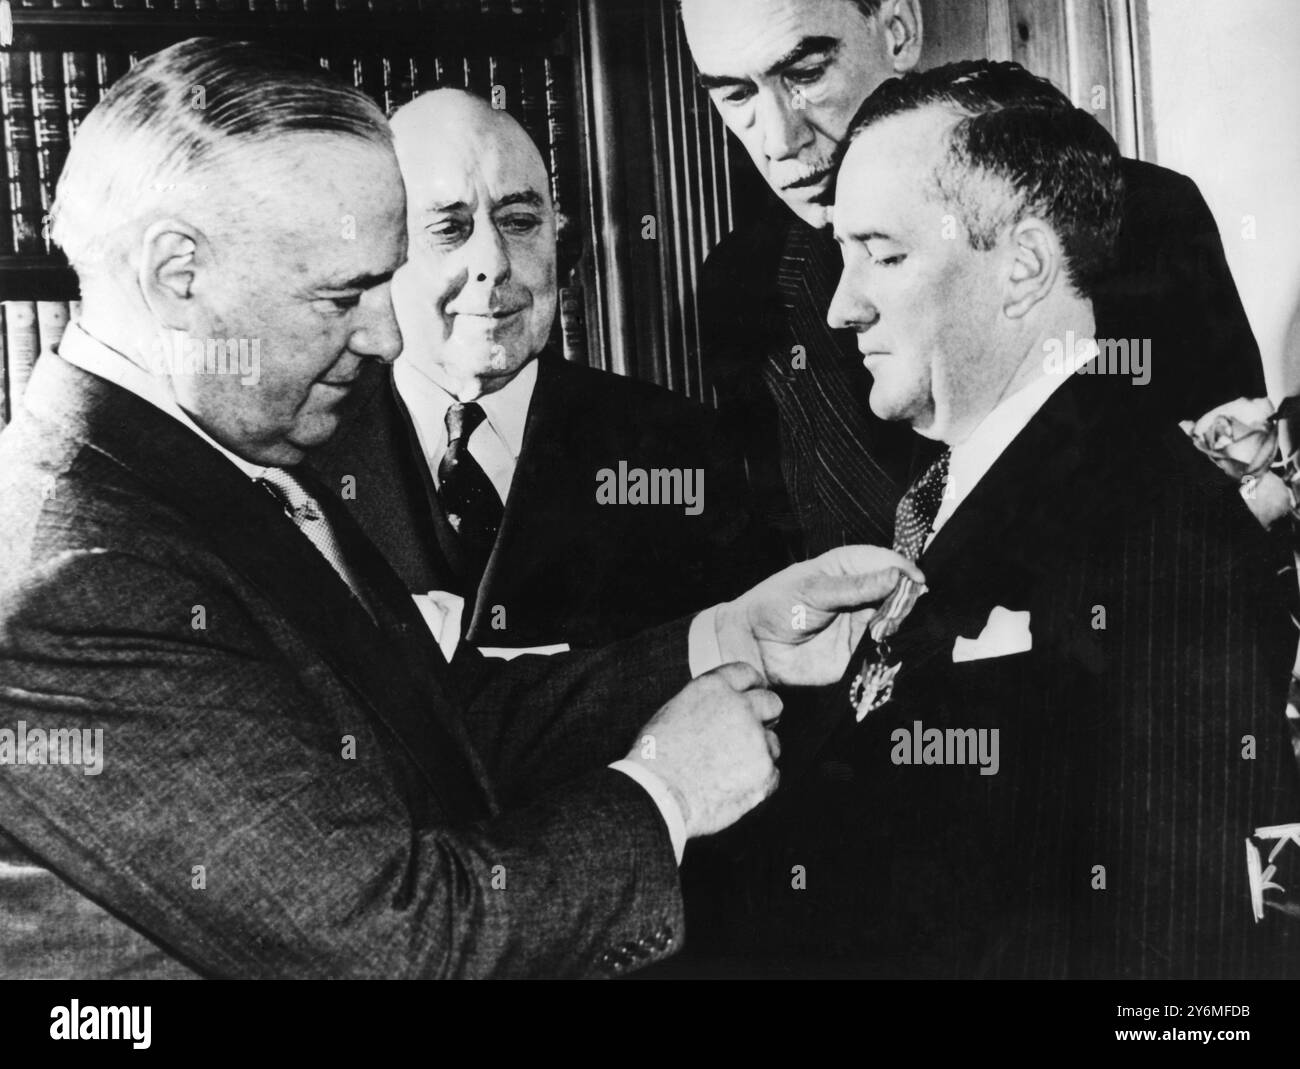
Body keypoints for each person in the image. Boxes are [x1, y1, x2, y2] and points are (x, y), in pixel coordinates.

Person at [0, 37, 918, 980]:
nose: (388, 331)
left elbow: (430, 727)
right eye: (343, 294)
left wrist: (731, 637)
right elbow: (392, 943)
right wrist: (664, 791)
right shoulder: (74, 571)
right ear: (175, 275)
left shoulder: (216, 462)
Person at [673, 61, 1300, 979]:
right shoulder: (951, 492)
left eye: (883, 255)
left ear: (1024, 268)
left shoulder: (1153, 529)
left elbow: (1194, 983)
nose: (844, 308)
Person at [681, 0, 1267, 556]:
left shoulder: (1143, 215)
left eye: (806, 72)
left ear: (898, 31)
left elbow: (1242, 484)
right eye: (735, 95)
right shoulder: (740, 288)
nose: (780, 140)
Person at [310, 89, 775, 652]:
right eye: (449, 230)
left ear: (559, 237)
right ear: (383, 252)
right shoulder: (304, 453)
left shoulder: (678, 447)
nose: (493, 264)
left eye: (519, 221)